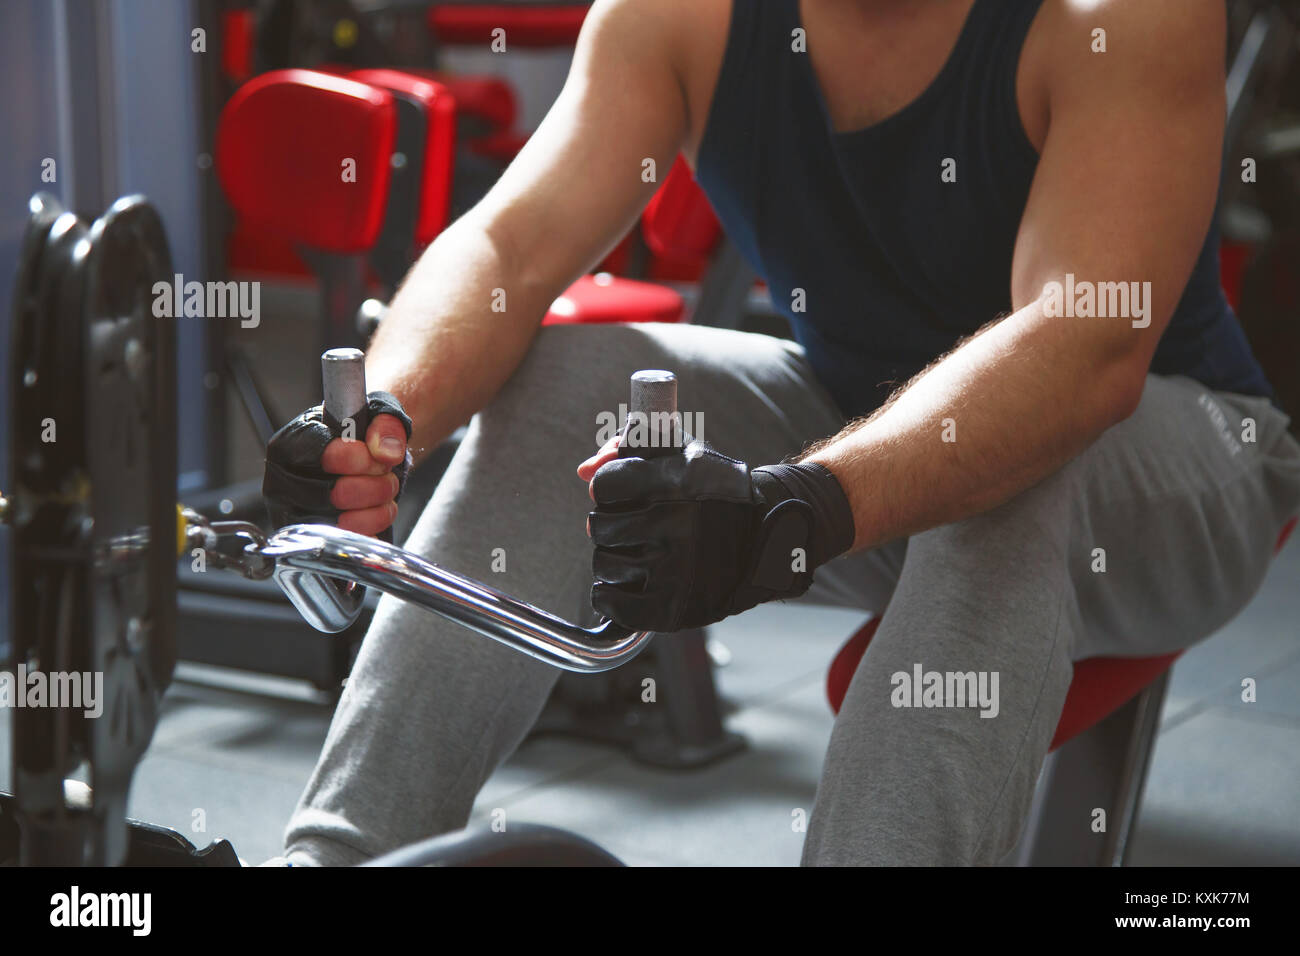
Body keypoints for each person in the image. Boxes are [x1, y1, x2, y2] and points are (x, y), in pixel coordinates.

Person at [262, 0, 1300, 865]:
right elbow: (507, 245)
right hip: (867, 420)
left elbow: (1080, 352)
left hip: (1188, 458)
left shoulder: (1116, 15)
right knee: (580, 379)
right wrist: (374, 423)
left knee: (1011, 467)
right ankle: (338, 855)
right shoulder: (684, 17)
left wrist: (791, 510)